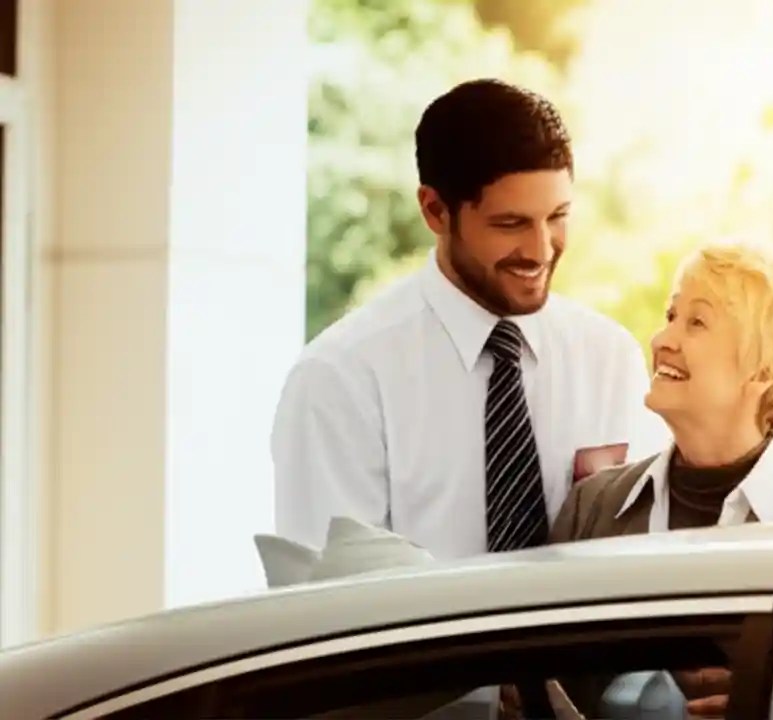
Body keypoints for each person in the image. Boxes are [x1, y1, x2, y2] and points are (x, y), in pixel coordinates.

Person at [271, 78, 666, 561]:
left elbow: (650, 558)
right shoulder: (342, 381)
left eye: (557, 216)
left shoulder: (608, 358)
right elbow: (333, 608)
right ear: (435, 211)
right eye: (511, 224)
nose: (540, 250)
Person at [549, 238, 773, 717]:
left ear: (764, 367)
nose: (663, 340)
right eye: (670, 316)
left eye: (696, 322)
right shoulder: (593, 508)